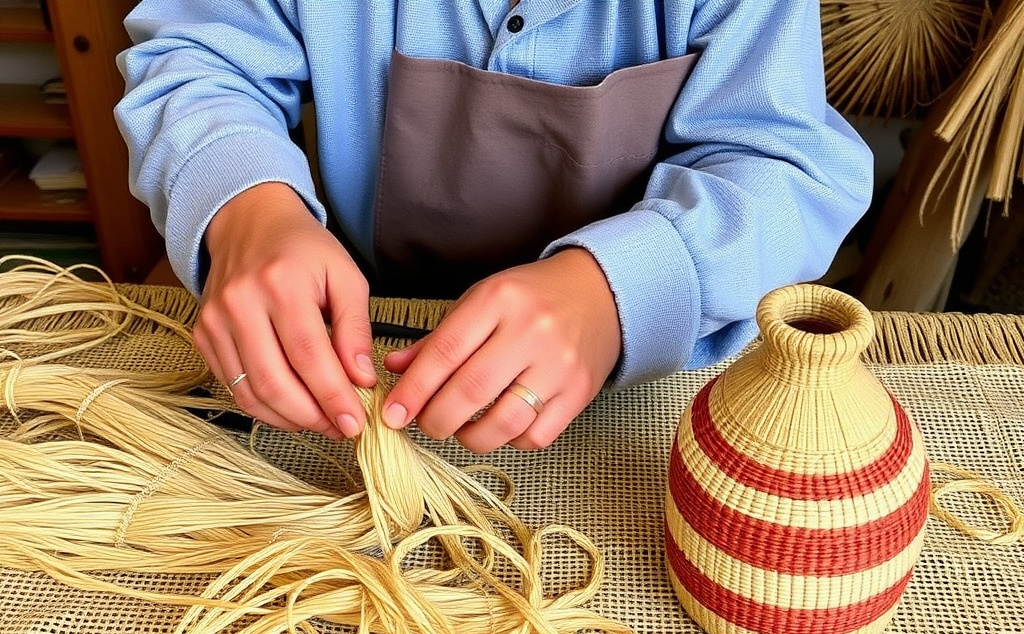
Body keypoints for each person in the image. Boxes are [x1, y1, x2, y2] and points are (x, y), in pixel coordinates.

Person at [115, 0, 873, 454]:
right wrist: (250, 209)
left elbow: (781, 164)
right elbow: (199, 59)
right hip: (355, 347)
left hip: (640, 405)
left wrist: (617, 292)